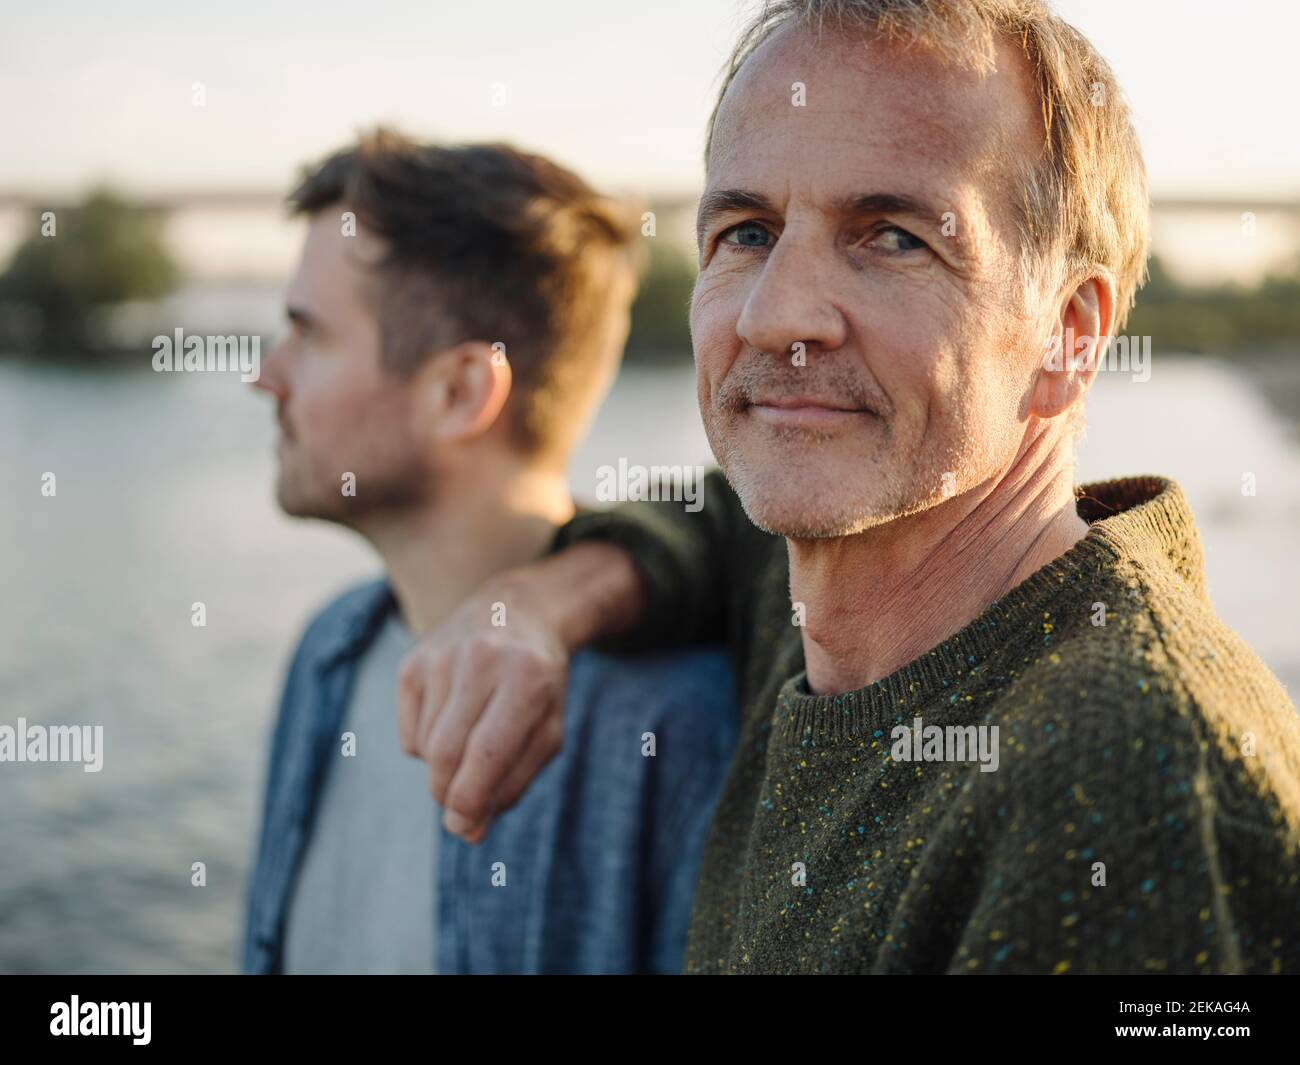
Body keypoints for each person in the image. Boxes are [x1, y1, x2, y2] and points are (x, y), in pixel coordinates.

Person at [397, 1, 1300, 974]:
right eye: (746, 232)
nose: (776, 314)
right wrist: (538, 604)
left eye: (894, 238)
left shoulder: (1120, 774)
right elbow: (709, 527)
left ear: (1067, 334)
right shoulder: (829, 597)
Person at [241, 129, 737, 974]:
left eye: (308, 335)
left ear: (460, 392)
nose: (265, 375)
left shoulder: (677, 725)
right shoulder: (328, 648)